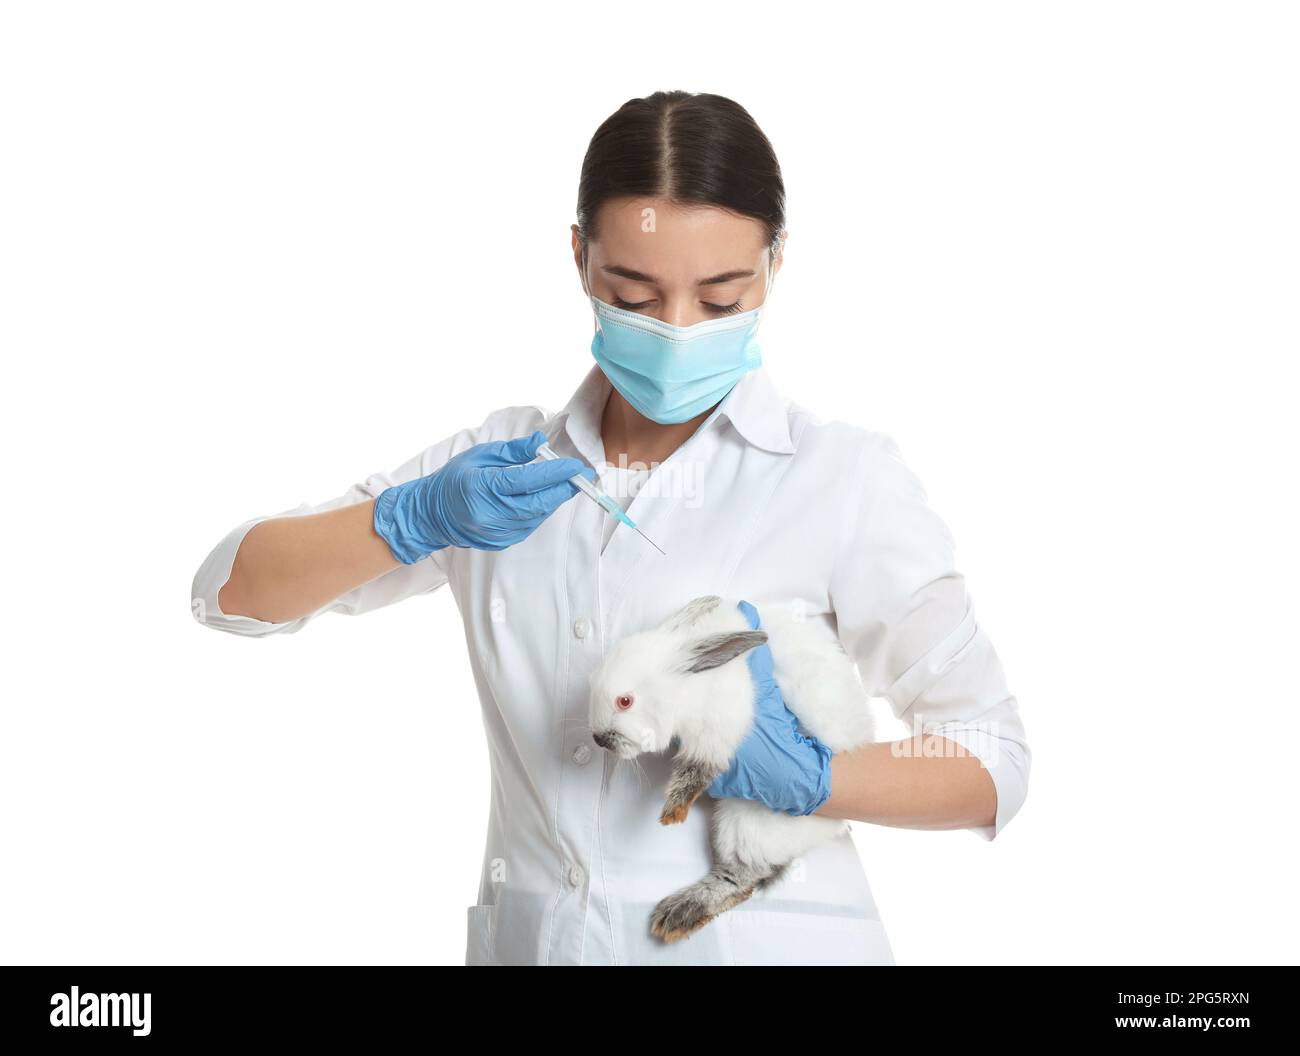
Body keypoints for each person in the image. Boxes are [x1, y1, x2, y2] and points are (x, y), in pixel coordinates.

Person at [191, 90, 1031, 966]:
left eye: (720, 297)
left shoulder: (841, 478)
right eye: (635, 290)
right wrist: (411, 519)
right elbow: (229, 592)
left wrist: (821, 781)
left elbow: (993, 759)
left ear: (775, 264)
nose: (675, 331)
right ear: (580, 258)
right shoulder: (497, 468)